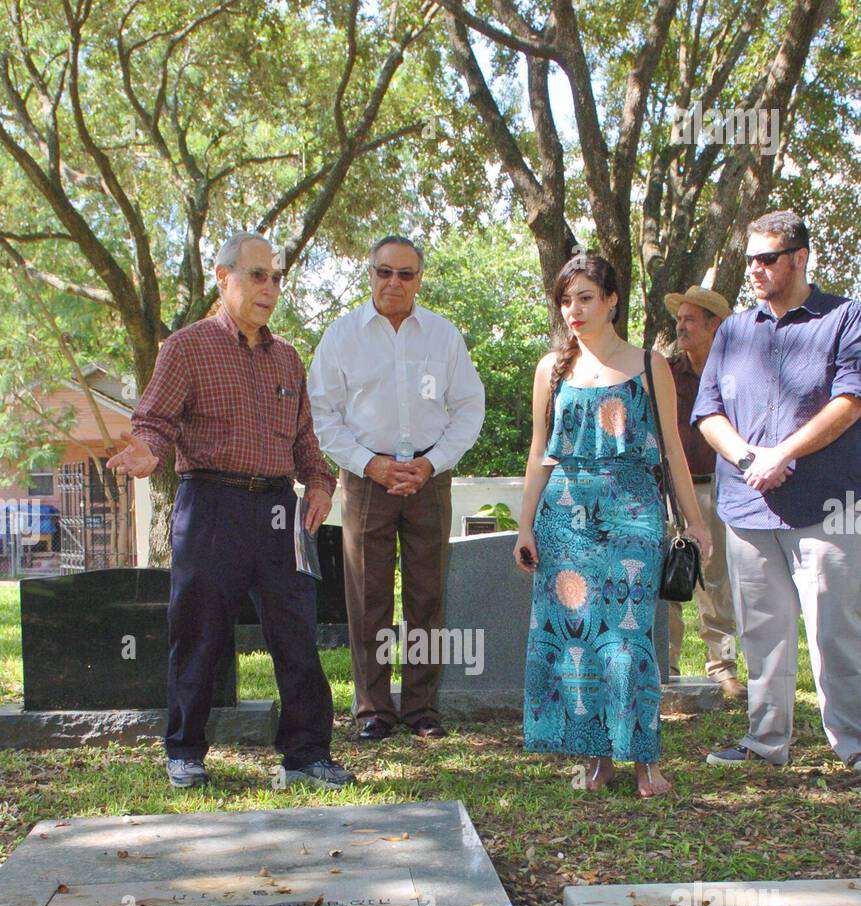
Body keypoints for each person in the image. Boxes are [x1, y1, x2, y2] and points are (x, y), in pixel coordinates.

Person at [107, 232, 354, 790]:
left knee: (296, 630)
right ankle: (186, 751)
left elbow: (307, 444)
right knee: (198, 630)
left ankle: (306, 754)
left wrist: (318, 484)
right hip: (210, 504)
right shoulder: (186, 348)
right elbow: (155, 421)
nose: (270, 288)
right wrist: (147, 450)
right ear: (223, 278)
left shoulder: (288, 359)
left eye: (277, 278)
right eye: (257, 275)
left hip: (275, 509)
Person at [516, 252, 711, 798]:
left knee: (627, 636)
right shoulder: (551, 369)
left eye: (584, 297)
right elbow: (538, 453)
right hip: (564, 517)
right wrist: (525, 525)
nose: (572, 310)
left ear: (611, 300)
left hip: (633, 508)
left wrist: (695, 524)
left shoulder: (650, 365)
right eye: (565, 299)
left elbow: (672, 449)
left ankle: (644, 760)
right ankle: (597, 758)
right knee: (576, 639)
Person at [692, 210, 861, 768]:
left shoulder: (845, 318)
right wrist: (747, 458)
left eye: (767, 259)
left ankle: (854, 746)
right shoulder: (735, 330)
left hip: (827, 508)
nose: (756, 270)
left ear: (800, 257)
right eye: (750, 260)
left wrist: (781, 454)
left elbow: (850, 403)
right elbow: (708, 411)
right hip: (747, 506)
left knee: (837, 634)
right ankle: (766, 745)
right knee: (762, 637)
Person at [308, 235, 485, 740]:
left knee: (427, 595)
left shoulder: (443, 337)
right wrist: (371, 465)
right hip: (366, 482)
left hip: (429, 480)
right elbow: (324, 416)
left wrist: (432, 463)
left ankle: (422, 708)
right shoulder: (342, 337)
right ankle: (374, 711)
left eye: (405, 274)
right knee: (369, 597)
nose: (394, 282)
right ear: (370, 274)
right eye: (385, 272)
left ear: (419, 280)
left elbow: (470, 406)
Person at [664, 286, 745, 700]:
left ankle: (724, 668)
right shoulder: (664, 370)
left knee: (717, 584)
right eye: (679, 319)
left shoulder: (736, 370)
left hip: (719, 486)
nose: (681, 326)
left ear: (714, 325)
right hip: (670, 491)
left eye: (691, 319)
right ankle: (666, 664)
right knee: (667, 579)